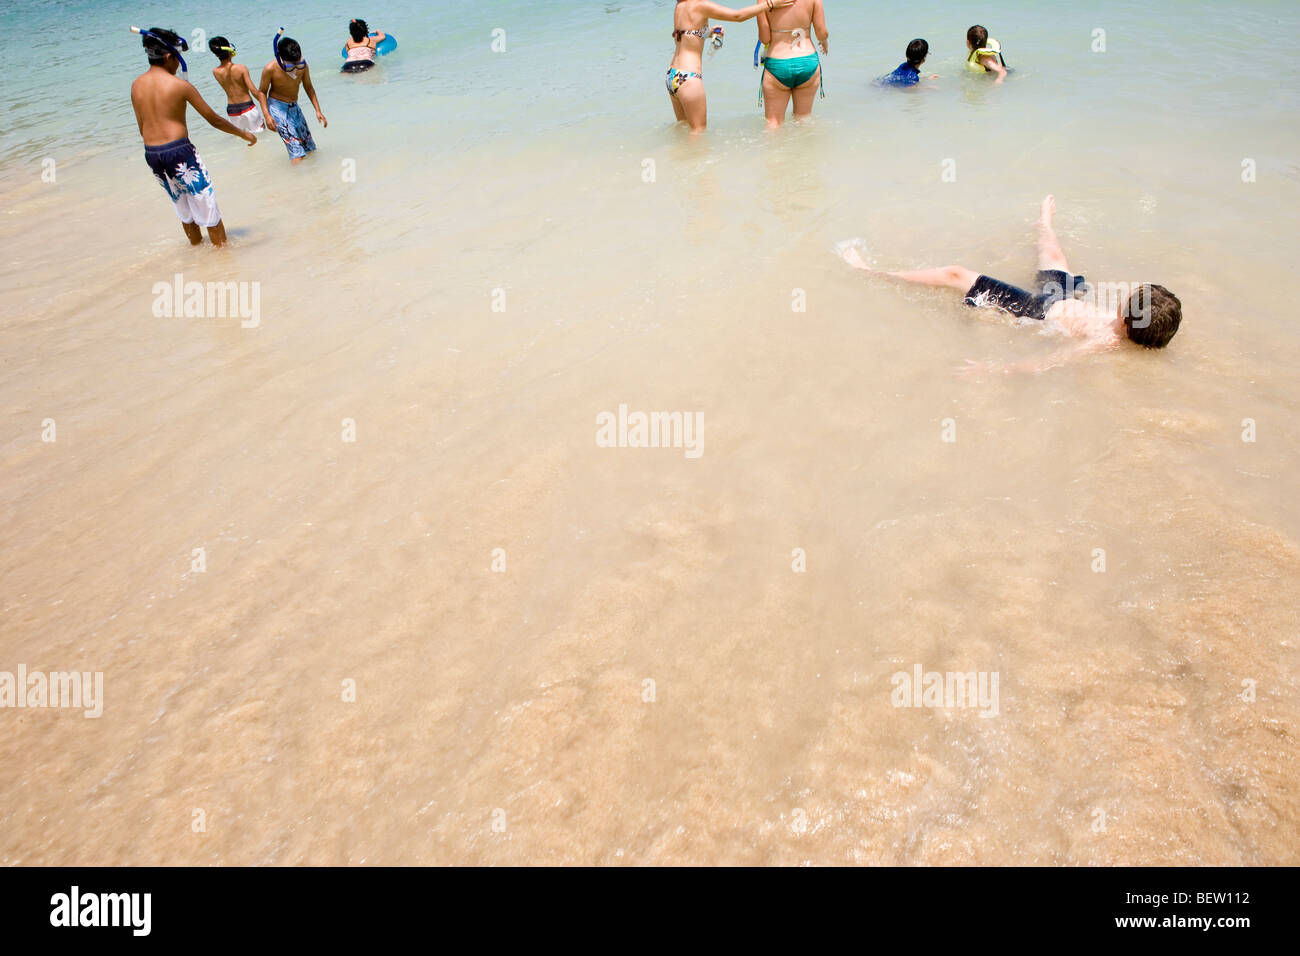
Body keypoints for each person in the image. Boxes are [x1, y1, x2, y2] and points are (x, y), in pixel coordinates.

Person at [838, 196, 1183, 360]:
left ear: (1127, 317)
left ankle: (874, 273)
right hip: (1063, 299)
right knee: (1056, 256)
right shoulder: (1131, 324)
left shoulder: (1105, 341)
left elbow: (1049, 363)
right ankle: (1044, 223)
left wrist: (995, 372)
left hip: (1038, 310)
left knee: (956, 274)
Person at [130, 27, 256, 246]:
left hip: (152, 154)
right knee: (207, 207)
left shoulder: (136, 85)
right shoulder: (180, 86)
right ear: (169, 56)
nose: (179, 63)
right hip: (179, 151)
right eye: (178, 57)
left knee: (182, 204)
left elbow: (142, 128)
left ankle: (197, 249)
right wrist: (243, 134)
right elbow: (213, 119)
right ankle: (223, 256)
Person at [667, 0, 795, 133]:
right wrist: (770, 4)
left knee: (683, 130)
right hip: (689, 79)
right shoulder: (700, 5)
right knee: (698, 132)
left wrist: (708, 32)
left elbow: (686, 33)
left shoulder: (680, 6)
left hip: (673, 75)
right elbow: (738, 16)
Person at [757, 0, 828, 127]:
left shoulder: (763, 1)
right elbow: (821, 31)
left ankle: (773, 147)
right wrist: (824, 42)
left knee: (773, 124)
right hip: (807, 62)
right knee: (803, 120)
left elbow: (765, 38)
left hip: (778, 63)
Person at [260, 34, 327, 164]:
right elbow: (262, 92)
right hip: (278, 109)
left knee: (310, 148)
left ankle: (314, 178)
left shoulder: (303, 65)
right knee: (297, 153)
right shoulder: (270, 69)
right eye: (290, 65)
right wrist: (267, 116)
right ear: (280, 57)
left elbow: (309, 87)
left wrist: (318, 111)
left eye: (298, 63)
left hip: (294, 107)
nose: (295, 68)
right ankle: (300, 180)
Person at [208, 36, 275, 134]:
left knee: (244, 139)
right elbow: (253, 91)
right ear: (229, 49)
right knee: (262, 135)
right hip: (248, 108)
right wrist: (267, 108)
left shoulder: (215, 72)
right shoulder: (241, 68)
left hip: (232, 111)